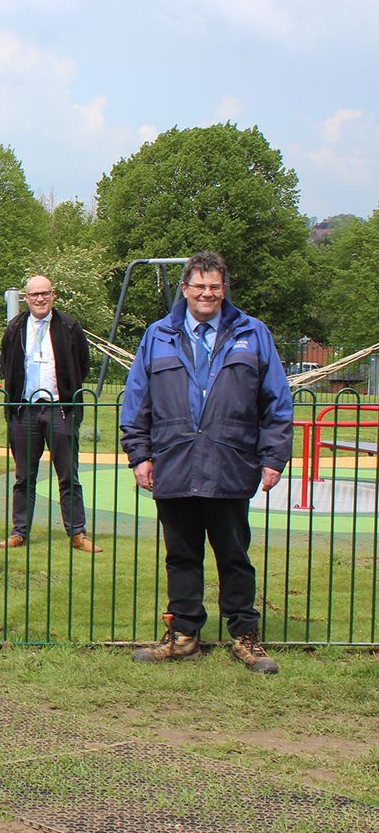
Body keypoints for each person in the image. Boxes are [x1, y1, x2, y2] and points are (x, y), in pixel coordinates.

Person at [121, 251, 291, 674]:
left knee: (234, 555)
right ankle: (183, 635)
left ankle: (244, 636)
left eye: (214, 286)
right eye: (199, 285)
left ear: (223, 289)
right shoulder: (158, 335)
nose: (207, 293)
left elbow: (277, 402)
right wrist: (140, 454)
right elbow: (136, 401)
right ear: (185, 288)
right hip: (173, 462)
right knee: (181, 555)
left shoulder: (253, 334)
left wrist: (273, 457)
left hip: (230, 462)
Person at [0, 275, 101, 554]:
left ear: (53, 295)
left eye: (44, 293)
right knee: (23, 477)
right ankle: (19, 532)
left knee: (68, 475)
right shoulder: (16, 327)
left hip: (60, 409)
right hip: (25, 411)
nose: (40, 299)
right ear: (26, 299)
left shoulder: (69, 326)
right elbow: (7, 363)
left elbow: (82, 364)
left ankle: (78, 533)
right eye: (34, 295)